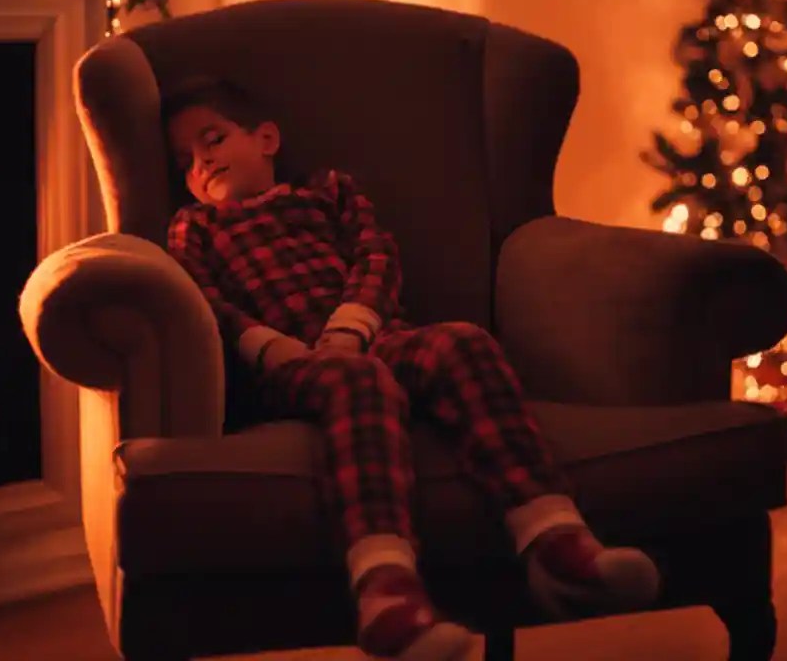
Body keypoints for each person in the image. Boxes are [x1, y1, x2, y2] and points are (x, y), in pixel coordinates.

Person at [163, 76, 660, 661]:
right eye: (186, 161)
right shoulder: (194, 227)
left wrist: (352, 326)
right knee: (359, 380)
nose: (202, 161)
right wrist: (269, 346)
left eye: (213, 139)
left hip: (377, 334)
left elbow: (376, 254)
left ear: (266, 137)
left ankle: (554, 540)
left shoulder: (329, 192)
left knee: (462, 343)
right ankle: (385, 590)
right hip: (290, 364)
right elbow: (202, 299)